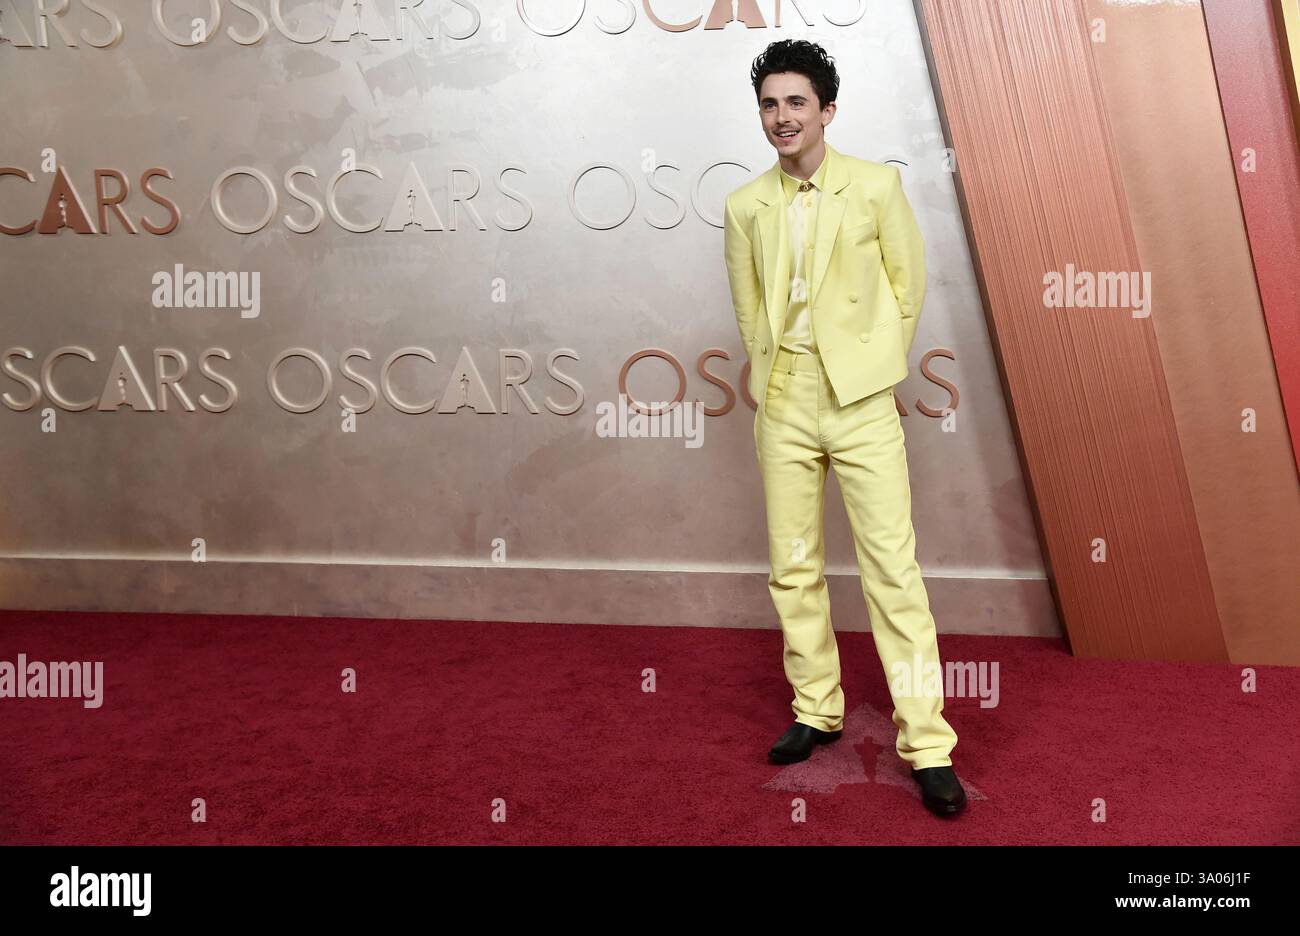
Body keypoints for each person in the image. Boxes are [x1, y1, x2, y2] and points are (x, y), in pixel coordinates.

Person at [722, 39, 966, 817]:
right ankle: (815, 709)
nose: (781, 116)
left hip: (860, 400)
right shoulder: (744, 205)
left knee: (893, 572)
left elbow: (908, 284)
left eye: (796, 102)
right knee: (793, 566)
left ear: (828, 110)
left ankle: (927, 744)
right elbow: (749, 307)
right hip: (785, 399)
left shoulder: (875, 186)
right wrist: (770, 380)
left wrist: (871, 368)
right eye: (770, 103)